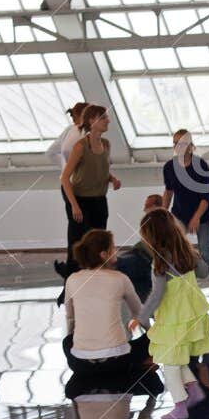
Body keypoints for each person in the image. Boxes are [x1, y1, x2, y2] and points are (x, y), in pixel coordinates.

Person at [137, 208, 209, 419]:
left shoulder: (160, 263)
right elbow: (204, 273)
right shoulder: (187, 253)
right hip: (192, 316)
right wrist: (196, 255)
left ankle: (180, 407)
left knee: (170, 365)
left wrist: (142, 316)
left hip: (174, 320)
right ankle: (194, 390)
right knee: (176, 359)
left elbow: (157, 295)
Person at [62, 227, 156, 384]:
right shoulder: (120, 278)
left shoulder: (72, 279)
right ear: (104, 255)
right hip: (118, 362)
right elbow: (141, 314)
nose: (116, 251)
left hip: (80, 364)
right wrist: (152, 338)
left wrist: (75, 341)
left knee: (66, 342)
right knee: (155, 337)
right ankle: (138, 365)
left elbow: (70, 319)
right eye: (113, 248)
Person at [162, 130, 209, 297]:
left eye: (180, 143)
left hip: (202, 216)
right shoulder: (169, 167)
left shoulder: (200, 165)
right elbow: (168, 192)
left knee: (206, 252)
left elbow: (207, 196)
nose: (177, 147)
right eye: (174, 143)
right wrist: (162, 213)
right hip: (179, 215)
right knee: (173, 250)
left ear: (189, 145)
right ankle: (175, 286)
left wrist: (196, 218)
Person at [59, 104, 121, 286]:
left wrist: (112, 179)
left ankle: (95, 281)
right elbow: (65, 178)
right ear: (92, 121)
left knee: (99, 242)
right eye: (103, 118)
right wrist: (74, 206)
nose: (107, 121)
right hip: (81, 201)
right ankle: (70, 287)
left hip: (99, 200)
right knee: (79, 245)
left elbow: (100, 169)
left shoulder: (106, 145)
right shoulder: (80, 146)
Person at [48, 101, 88, 281]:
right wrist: (69, 169)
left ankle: (74, 265)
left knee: (75, 227)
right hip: (77, 185)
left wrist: (65, 167)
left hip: (68, 184)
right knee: (82, 227)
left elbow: (51, 153)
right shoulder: (81, 133)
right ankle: (77, 266)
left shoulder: (69, 131)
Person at [113, 194, 167, 302]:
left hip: (144, 258)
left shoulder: (163, 225)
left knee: (116, 265)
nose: (144, 209)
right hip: (137, 253)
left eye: (147, 206)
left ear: (155, 207)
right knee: (117, 263)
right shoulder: (151, 223)